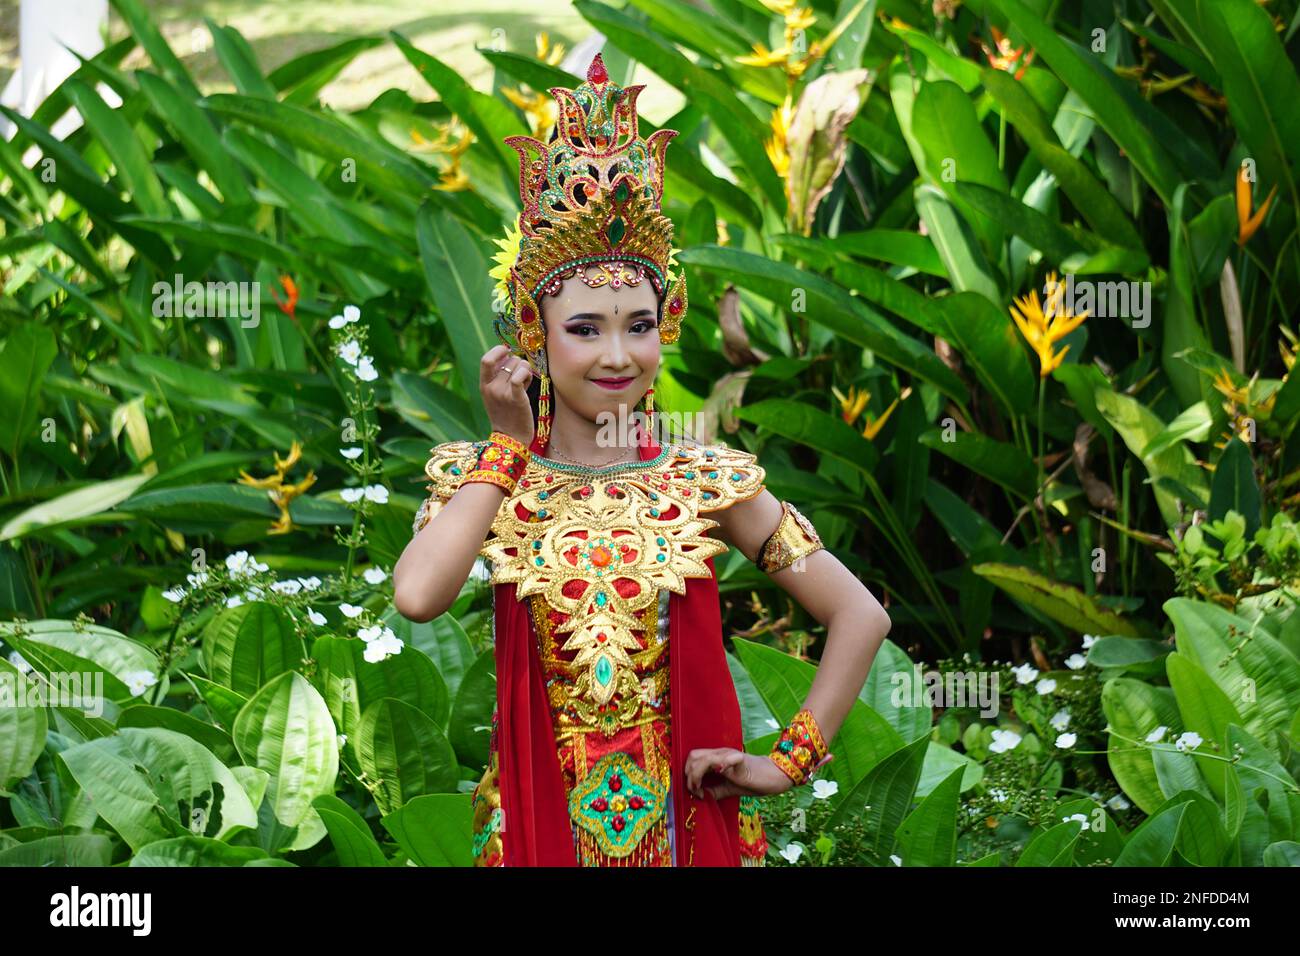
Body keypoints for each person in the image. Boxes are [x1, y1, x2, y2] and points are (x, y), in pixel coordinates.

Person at [392, 52, 891, 866]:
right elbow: (417, 596)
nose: (617, 354)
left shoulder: (702, 481)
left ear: (669, 324)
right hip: (536, 826)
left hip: (684, 832)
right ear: (534, 333)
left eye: (640, 324)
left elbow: (860, 615)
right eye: (585, 328)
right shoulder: (486, 481)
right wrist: (508, 449)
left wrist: (786, 761)